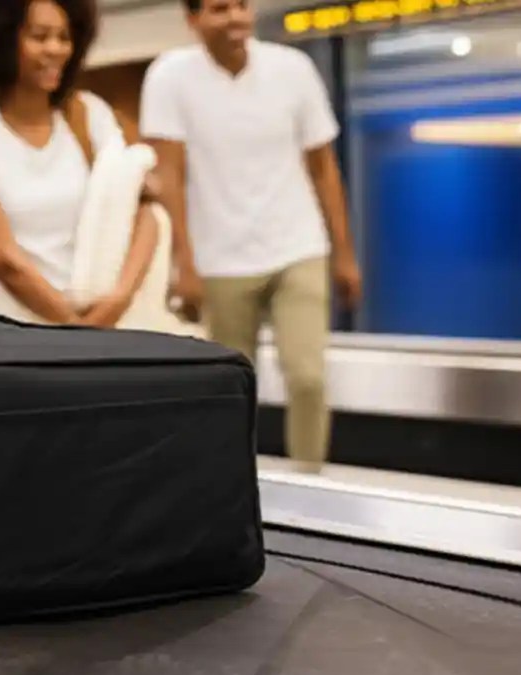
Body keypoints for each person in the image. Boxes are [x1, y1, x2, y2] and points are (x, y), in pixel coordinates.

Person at [139, 0, 363, 470]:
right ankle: (234, 485)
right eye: (220, 9)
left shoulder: (293, 69)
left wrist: (344, 253)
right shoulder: (170, 77)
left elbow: (324, 169)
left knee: (307, 376)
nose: (236, 18)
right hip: (220, 260)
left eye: (241, 6)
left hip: (297, 246)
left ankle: (312, 484)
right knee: (233, 388)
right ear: (193, 19)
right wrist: (185, 262)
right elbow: (170, 177)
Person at [0, 0, 160, 327]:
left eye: (64, 37)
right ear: (1, 39)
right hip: (15, 336)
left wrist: (117, 300)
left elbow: (144, 213)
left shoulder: (89, 114)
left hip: (106, 325)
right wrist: (75, 327)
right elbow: (4, 260)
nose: (55, 49)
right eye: (40, 37)